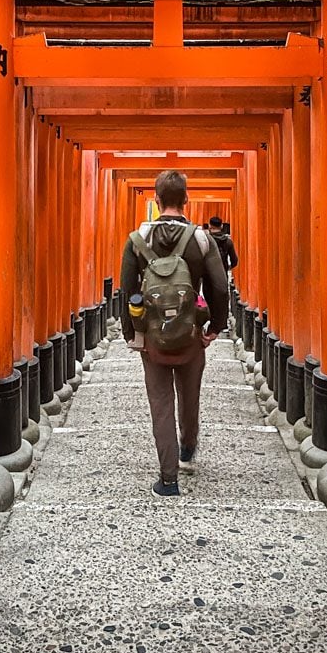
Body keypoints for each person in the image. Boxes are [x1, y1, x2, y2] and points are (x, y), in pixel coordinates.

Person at [120, 170, 229, 497]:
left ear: (155, 199)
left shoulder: (137, 239)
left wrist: (133, 335)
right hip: (191, 334)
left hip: (153, 338)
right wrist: (215, 327)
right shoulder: (200, 239)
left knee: (161, 404)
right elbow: (220, 288)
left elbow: (126, 290)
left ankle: (168, 480)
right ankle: (188, 447)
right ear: (186, 200)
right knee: (189, 394)